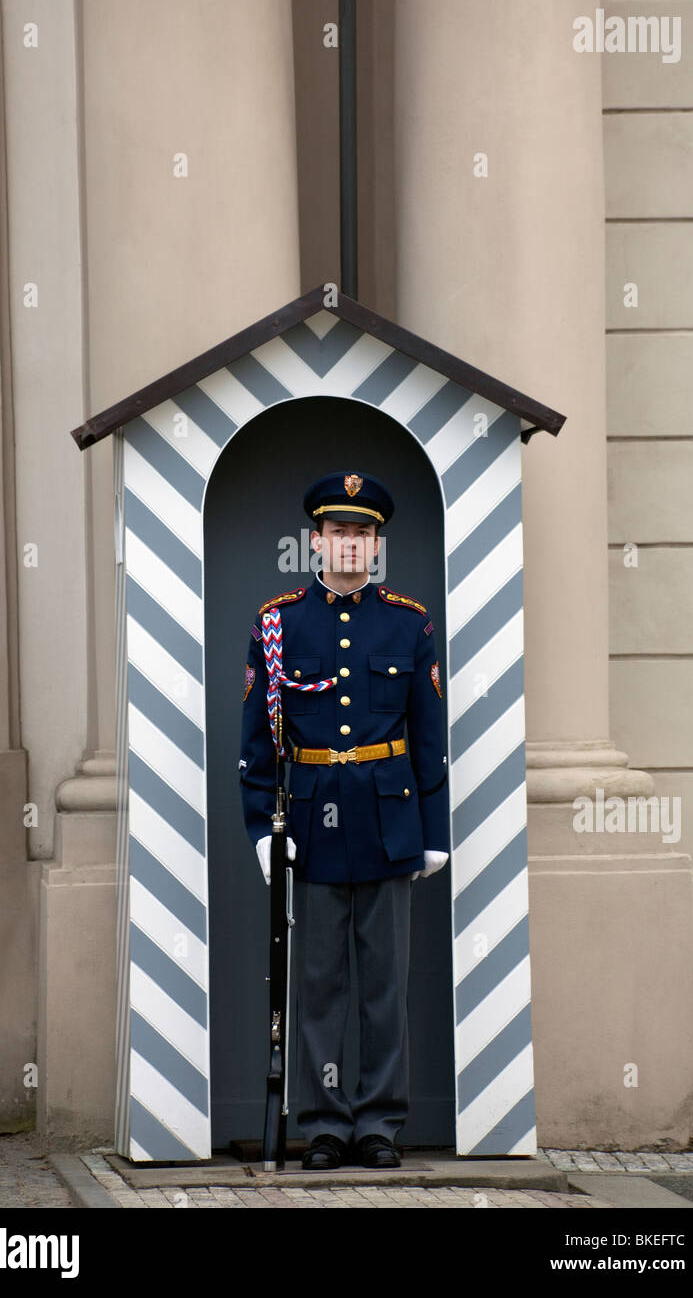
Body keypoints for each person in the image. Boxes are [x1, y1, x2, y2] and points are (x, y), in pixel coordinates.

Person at [238, 471, 449, 1170]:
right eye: (338, 533)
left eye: (362, 534)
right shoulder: (279, 625)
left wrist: (435, 832)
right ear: (315, 541)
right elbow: (256, 741)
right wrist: (259, 832)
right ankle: (325, 1124)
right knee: (320, 985)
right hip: (312, 828)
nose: (349, 545)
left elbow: (428, 737)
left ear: (375, 544)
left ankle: (380, 1126)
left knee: (386, 988)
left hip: (390, 822)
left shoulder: (408, 623)